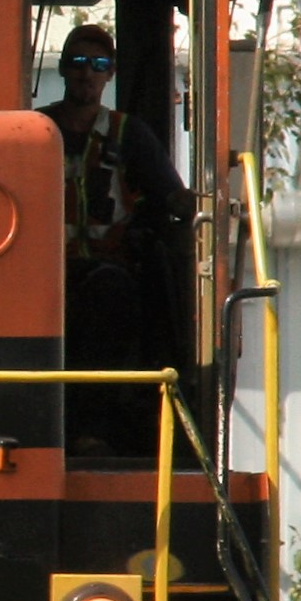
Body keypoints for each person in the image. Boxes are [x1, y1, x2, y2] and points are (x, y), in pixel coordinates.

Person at [41, 24, 191, 443]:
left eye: (99, 65)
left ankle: (96, 430)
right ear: (64, 69)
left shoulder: (130, 134)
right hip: (40, 272)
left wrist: (194, 204)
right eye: (78, 63)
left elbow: (170, 195)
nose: (87, 74)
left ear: (110, 74)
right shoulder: (34, 131)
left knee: (111, 300)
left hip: (110, 270)